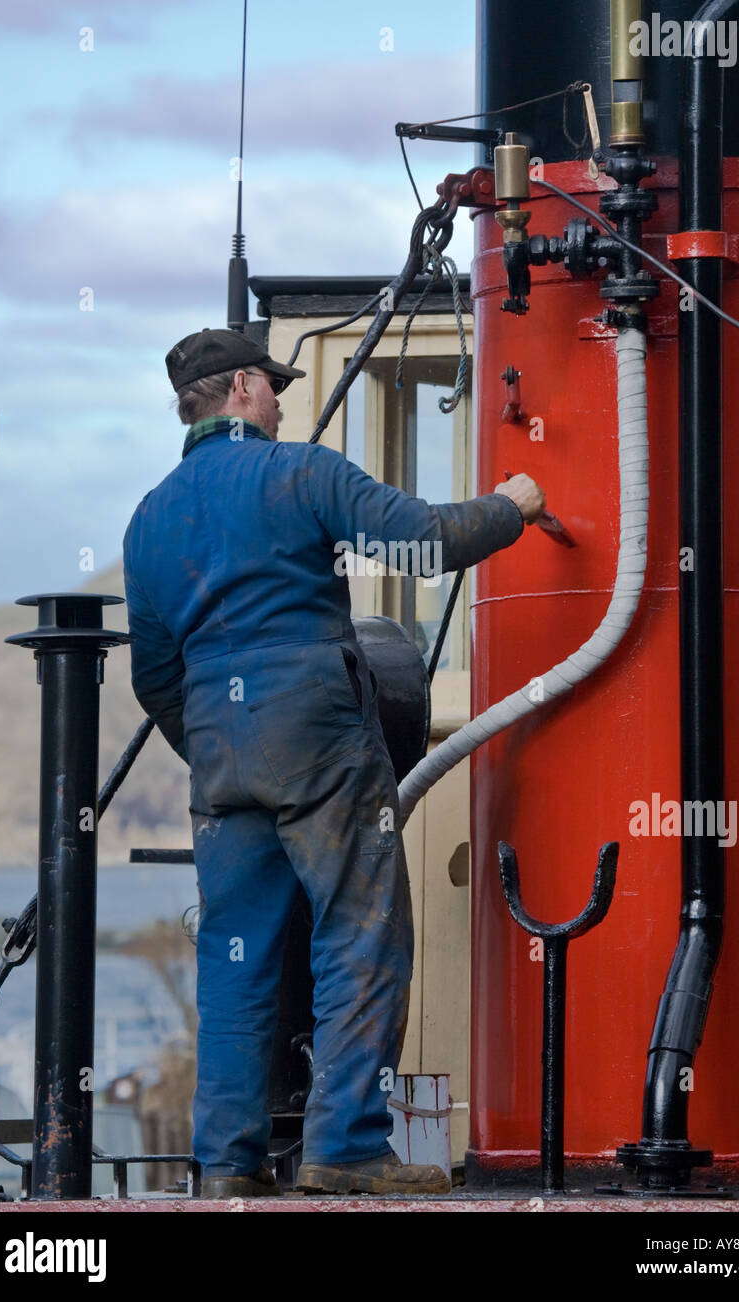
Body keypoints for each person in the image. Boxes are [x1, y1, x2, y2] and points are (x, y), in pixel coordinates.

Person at [123, 327, 545, 1197]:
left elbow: (155, 677)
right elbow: (425, 540)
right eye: (272, 385)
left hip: (220, 760)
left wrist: (217, 745)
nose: (280, 401)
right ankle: (346, 1145)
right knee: (361, 930)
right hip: (317, 734)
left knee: (235, 960)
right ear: (241, 386)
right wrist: (514, 505)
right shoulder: (299, 472)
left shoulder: (149, 519)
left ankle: (226, 1168)